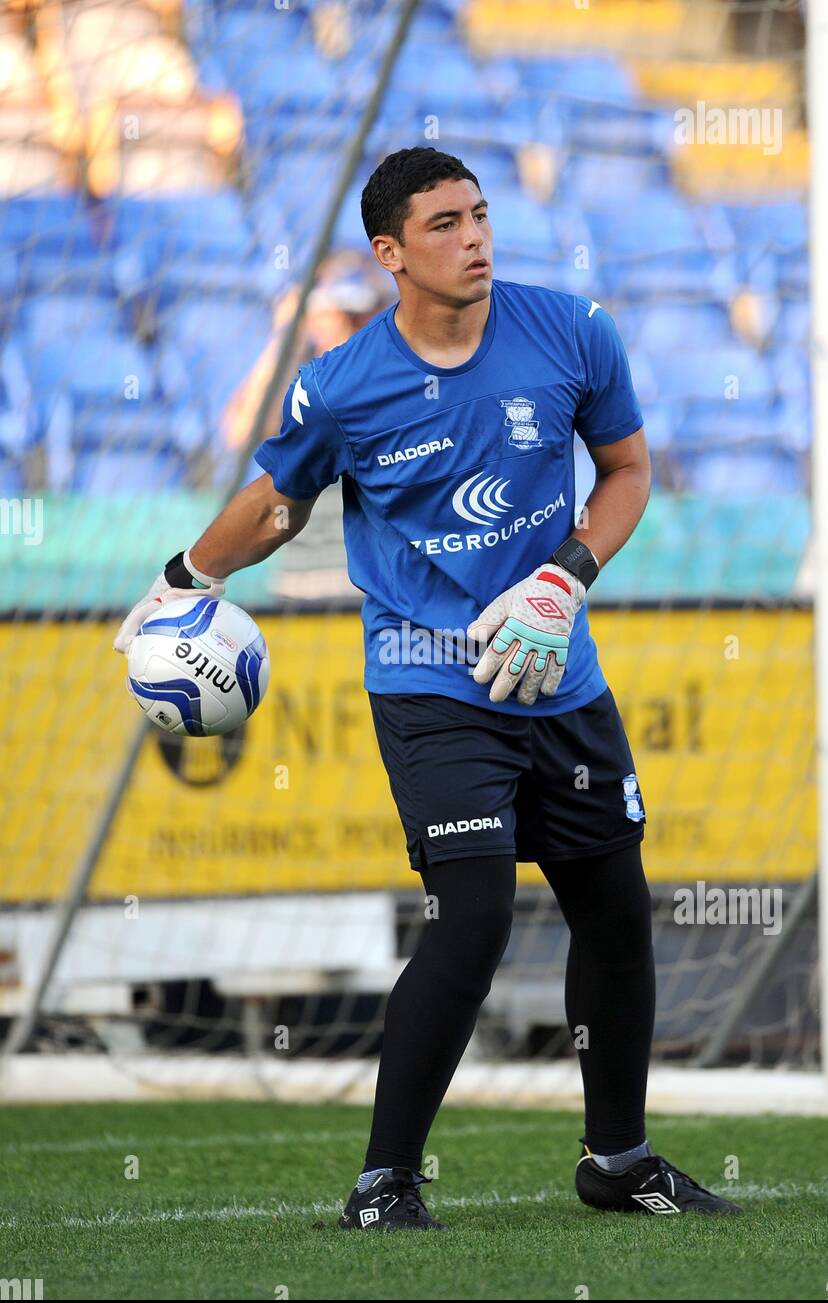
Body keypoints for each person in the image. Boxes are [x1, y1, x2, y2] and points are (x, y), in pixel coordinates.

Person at [114, 147, 740, 1229]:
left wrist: (568, 575)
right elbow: (275, 505)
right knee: (474, 915)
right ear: (390, 253)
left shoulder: (570, 331)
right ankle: (383, 1182)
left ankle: (617, 1159)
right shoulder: (346, 383)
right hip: (427, 676)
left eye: (482, 215)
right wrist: (183, 578)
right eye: (445, 223)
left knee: (614, 909)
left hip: (554, 667)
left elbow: (625, 469)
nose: (476, 237)